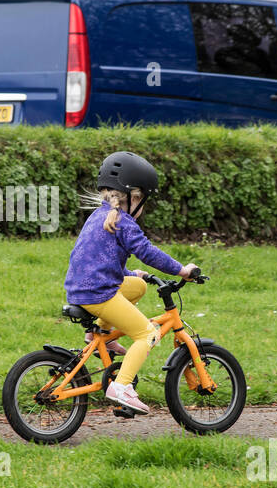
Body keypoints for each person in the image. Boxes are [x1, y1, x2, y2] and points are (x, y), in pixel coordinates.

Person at [64, 151, 197, 417]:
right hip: (98, 293)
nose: (143, 206)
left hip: (83, 287)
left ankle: (100, 334)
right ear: (134, 197)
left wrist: (130, 273)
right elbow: (148, 252)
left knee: (137, 287)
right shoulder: (124, 223)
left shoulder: (99, 216)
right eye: (143, 200)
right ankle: (121, 387)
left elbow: (99, 257)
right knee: (146, 334)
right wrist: (182, 270)